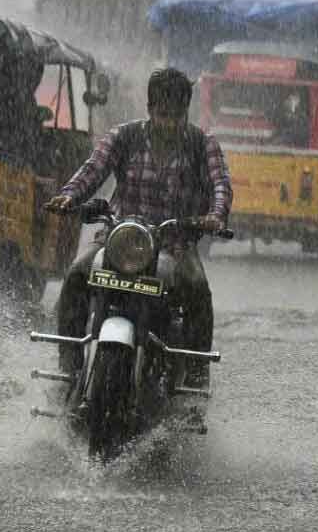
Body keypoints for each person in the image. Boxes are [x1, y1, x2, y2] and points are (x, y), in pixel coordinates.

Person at [45, 68, 232, 388]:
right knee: (77, 276)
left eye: (176, 116)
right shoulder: (124, 136)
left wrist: (216, 215)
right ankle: (69, 365)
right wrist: (68, 196)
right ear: (149, 109)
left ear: (185, 112)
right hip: (118, 239)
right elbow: (92, 171)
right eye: (162, 114)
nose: (169, 123)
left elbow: (220, 185)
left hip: (175, 245)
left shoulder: (203, 145)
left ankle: (196, 382)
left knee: (198, 293)